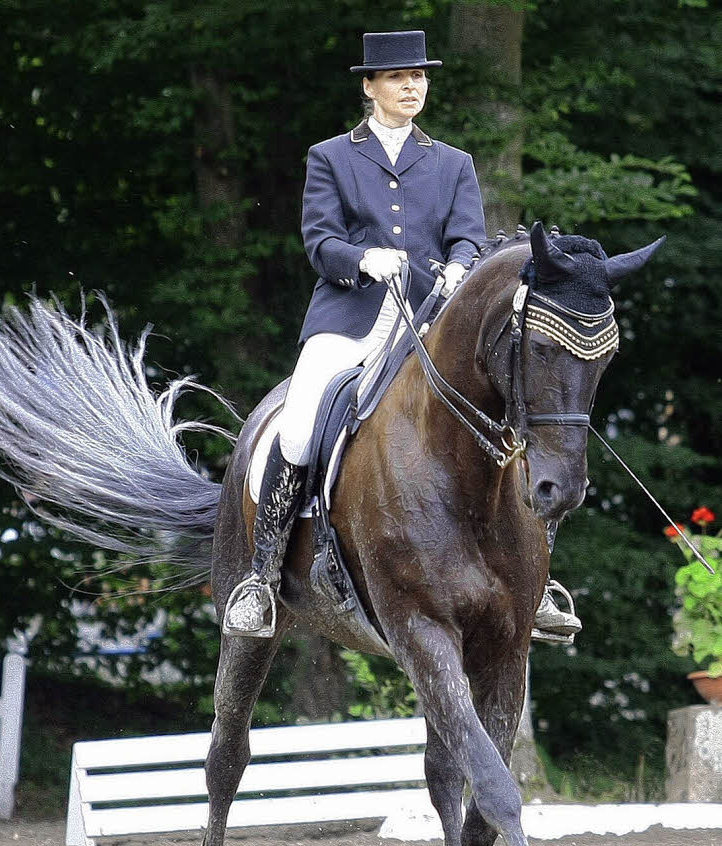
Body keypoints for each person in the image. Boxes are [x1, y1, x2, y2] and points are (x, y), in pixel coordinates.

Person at [222, 30, 581, 645]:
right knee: (302, 418)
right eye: (398, 78)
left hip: (432, 323)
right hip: (349, 320)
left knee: (516, 413)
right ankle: (262, 574)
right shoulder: (331, 156)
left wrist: (461, 266)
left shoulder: (453, 163)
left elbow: (468, 235)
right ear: (370, 87)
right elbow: (319, 241)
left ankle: (535, 578)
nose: (412, 86)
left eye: (419, 77)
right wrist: (362, 260)